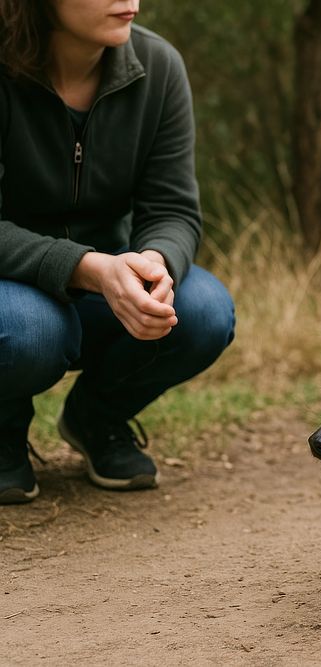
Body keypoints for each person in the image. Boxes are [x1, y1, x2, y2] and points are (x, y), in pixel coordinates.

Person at [0, 0, 235, 504]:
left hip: (110, 274)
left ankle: (96, 418)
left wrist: (156, 262)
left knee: (203, 311)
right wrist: (87, 267)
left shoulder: (158, 66)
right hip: (13, 289)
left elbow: (173, 208)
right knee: (30, 330)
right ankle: (2, 432)